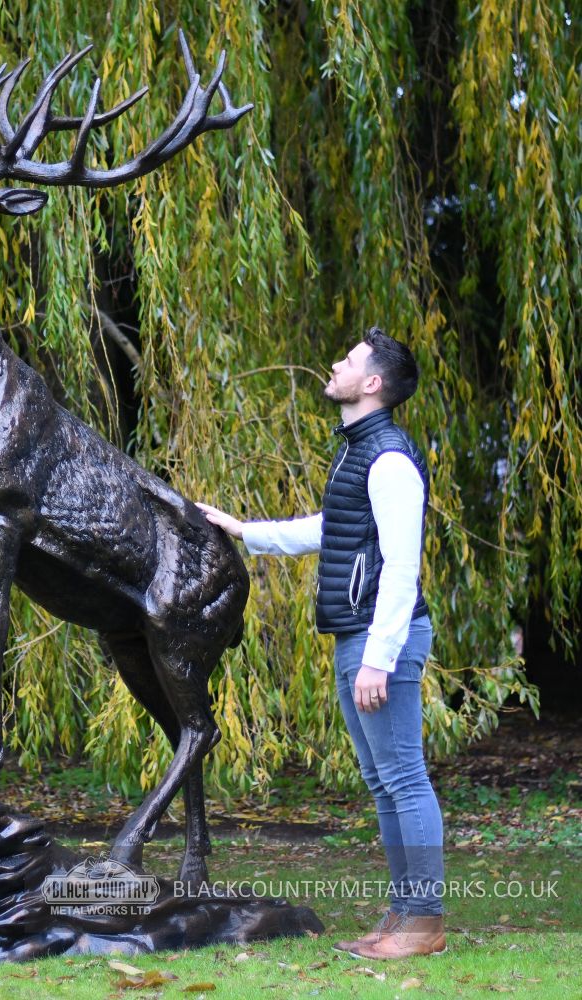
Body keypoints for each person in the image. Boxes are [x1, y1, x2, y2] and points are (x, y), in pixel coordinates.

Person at [197, 327, 445, 960]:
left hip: (378, 639)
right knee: (384, 781)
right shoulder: (358, 451)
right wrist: (244, 530)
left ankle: (423, 925)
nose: (335, 364)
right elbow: (332, 529)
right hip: (356, 636)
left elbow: (400, 566)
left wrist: (380, 658)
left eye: (350, 360)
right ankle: (403, 914)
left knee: (405, 779)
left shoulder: (388, 457)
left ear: (373, 384)